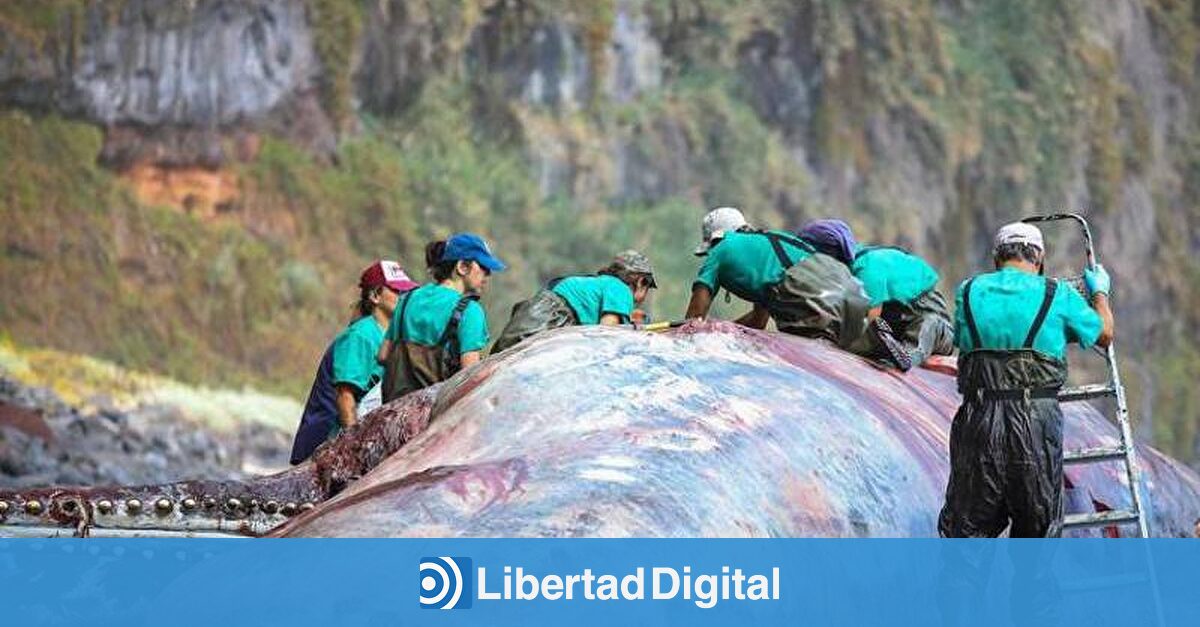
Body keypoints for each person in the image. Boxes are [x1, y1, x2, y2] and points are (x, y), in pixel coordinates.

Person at [938, 222, 1115, 537]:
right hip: (1035, 426)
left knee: (966, 538)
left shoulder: (968, 291)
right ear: (1039, 257)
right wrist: (1099, 291)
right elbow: (1104, 333)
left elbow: (963, 341)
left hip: (978, 421)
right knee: (1036, 538)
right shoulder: (1057, 295)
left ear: (997, 257)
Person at [684, 207, 910, 370]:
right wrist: (724, 329)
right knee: (840, 337)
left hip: (804, 287)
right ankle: (868, 336)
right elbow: (757, 322)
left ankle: (861, 339)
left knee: (804, 334)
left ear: (716, 237)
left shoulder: (721, 248)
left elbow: (694, 319)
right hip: (843, 281)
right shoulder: (769, 244)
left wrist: (692, 333)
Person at [289, 260, 419, 464]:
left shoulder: (389, 336)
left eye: (406, 292)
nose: (404, 297)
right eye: (397, 291)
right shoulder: (360, 336)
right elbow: (345, 397)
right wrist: (355, 452)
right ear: (375, 296)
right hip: (327, 446)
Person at [797, 219, 955, 366]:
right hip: (892, 328)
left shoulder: (868, 267)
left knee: (925, 329)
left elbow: (872, 314)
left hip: (933, 326)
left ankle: (905, 357)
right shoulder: (847, 274)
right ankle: (886, 347)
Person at [377, 233, 506, 403]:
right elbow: (470, 380)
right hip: (433, 418)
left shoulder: (408, 299)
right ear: (462, 267)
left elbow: (383, 356)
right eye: (484, 268)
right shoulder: (470, 311)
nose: (487, 276)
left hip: (394, 411)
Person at [491, 250, 657, 354]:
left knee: (500, 358)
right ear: (641, 281)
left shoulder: (600, 283)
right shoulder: (621, 289)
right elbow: (607, 333)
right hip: (549, 318)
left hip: (537, 311)